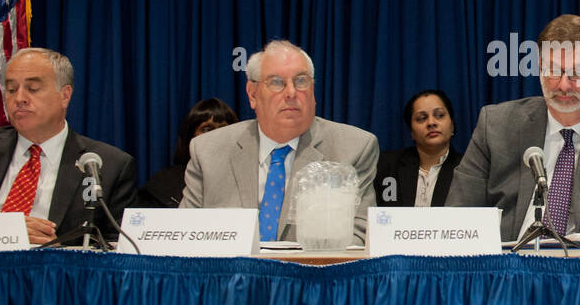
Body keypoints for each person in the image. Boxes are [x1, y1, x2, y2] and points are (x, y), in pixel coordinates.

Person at [446, 15, 580, 245]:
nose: (563, 85)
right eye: (553, 70)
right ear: (539, 67)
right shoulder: (495, 124)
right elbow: (460, 215)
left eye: (577, 72)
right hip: (505, 270)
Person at [0, 46, 136, 244]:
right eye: (11, 89)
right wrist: (4, 231)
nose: (20, 98)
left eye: (32, 89)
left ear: (65, 95)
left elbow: (118, 248)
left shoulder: (109, 165)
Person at [180, 40, 379, 246]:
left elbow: (358, 237)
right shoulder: (208, 150)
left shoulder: (354, 148)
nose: (291, 92)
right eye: (276, 82)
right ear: (253, 94)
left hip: (313, 276)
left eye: (301, 81)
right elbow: (187, 233)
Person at [139, 98, 237, 207]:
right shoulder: (162, 184)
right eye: (207, 129)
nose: (216, 136)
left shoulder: (247, 178)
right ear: (189, 136)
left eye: (224, 129)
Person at [376, 90, 462, 207]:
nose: (431, 123)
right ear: (411, 131)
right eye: (421, 118)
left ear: (452, 125)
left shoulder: (467, 169)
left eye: (440, 115)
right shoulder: (386, 165)